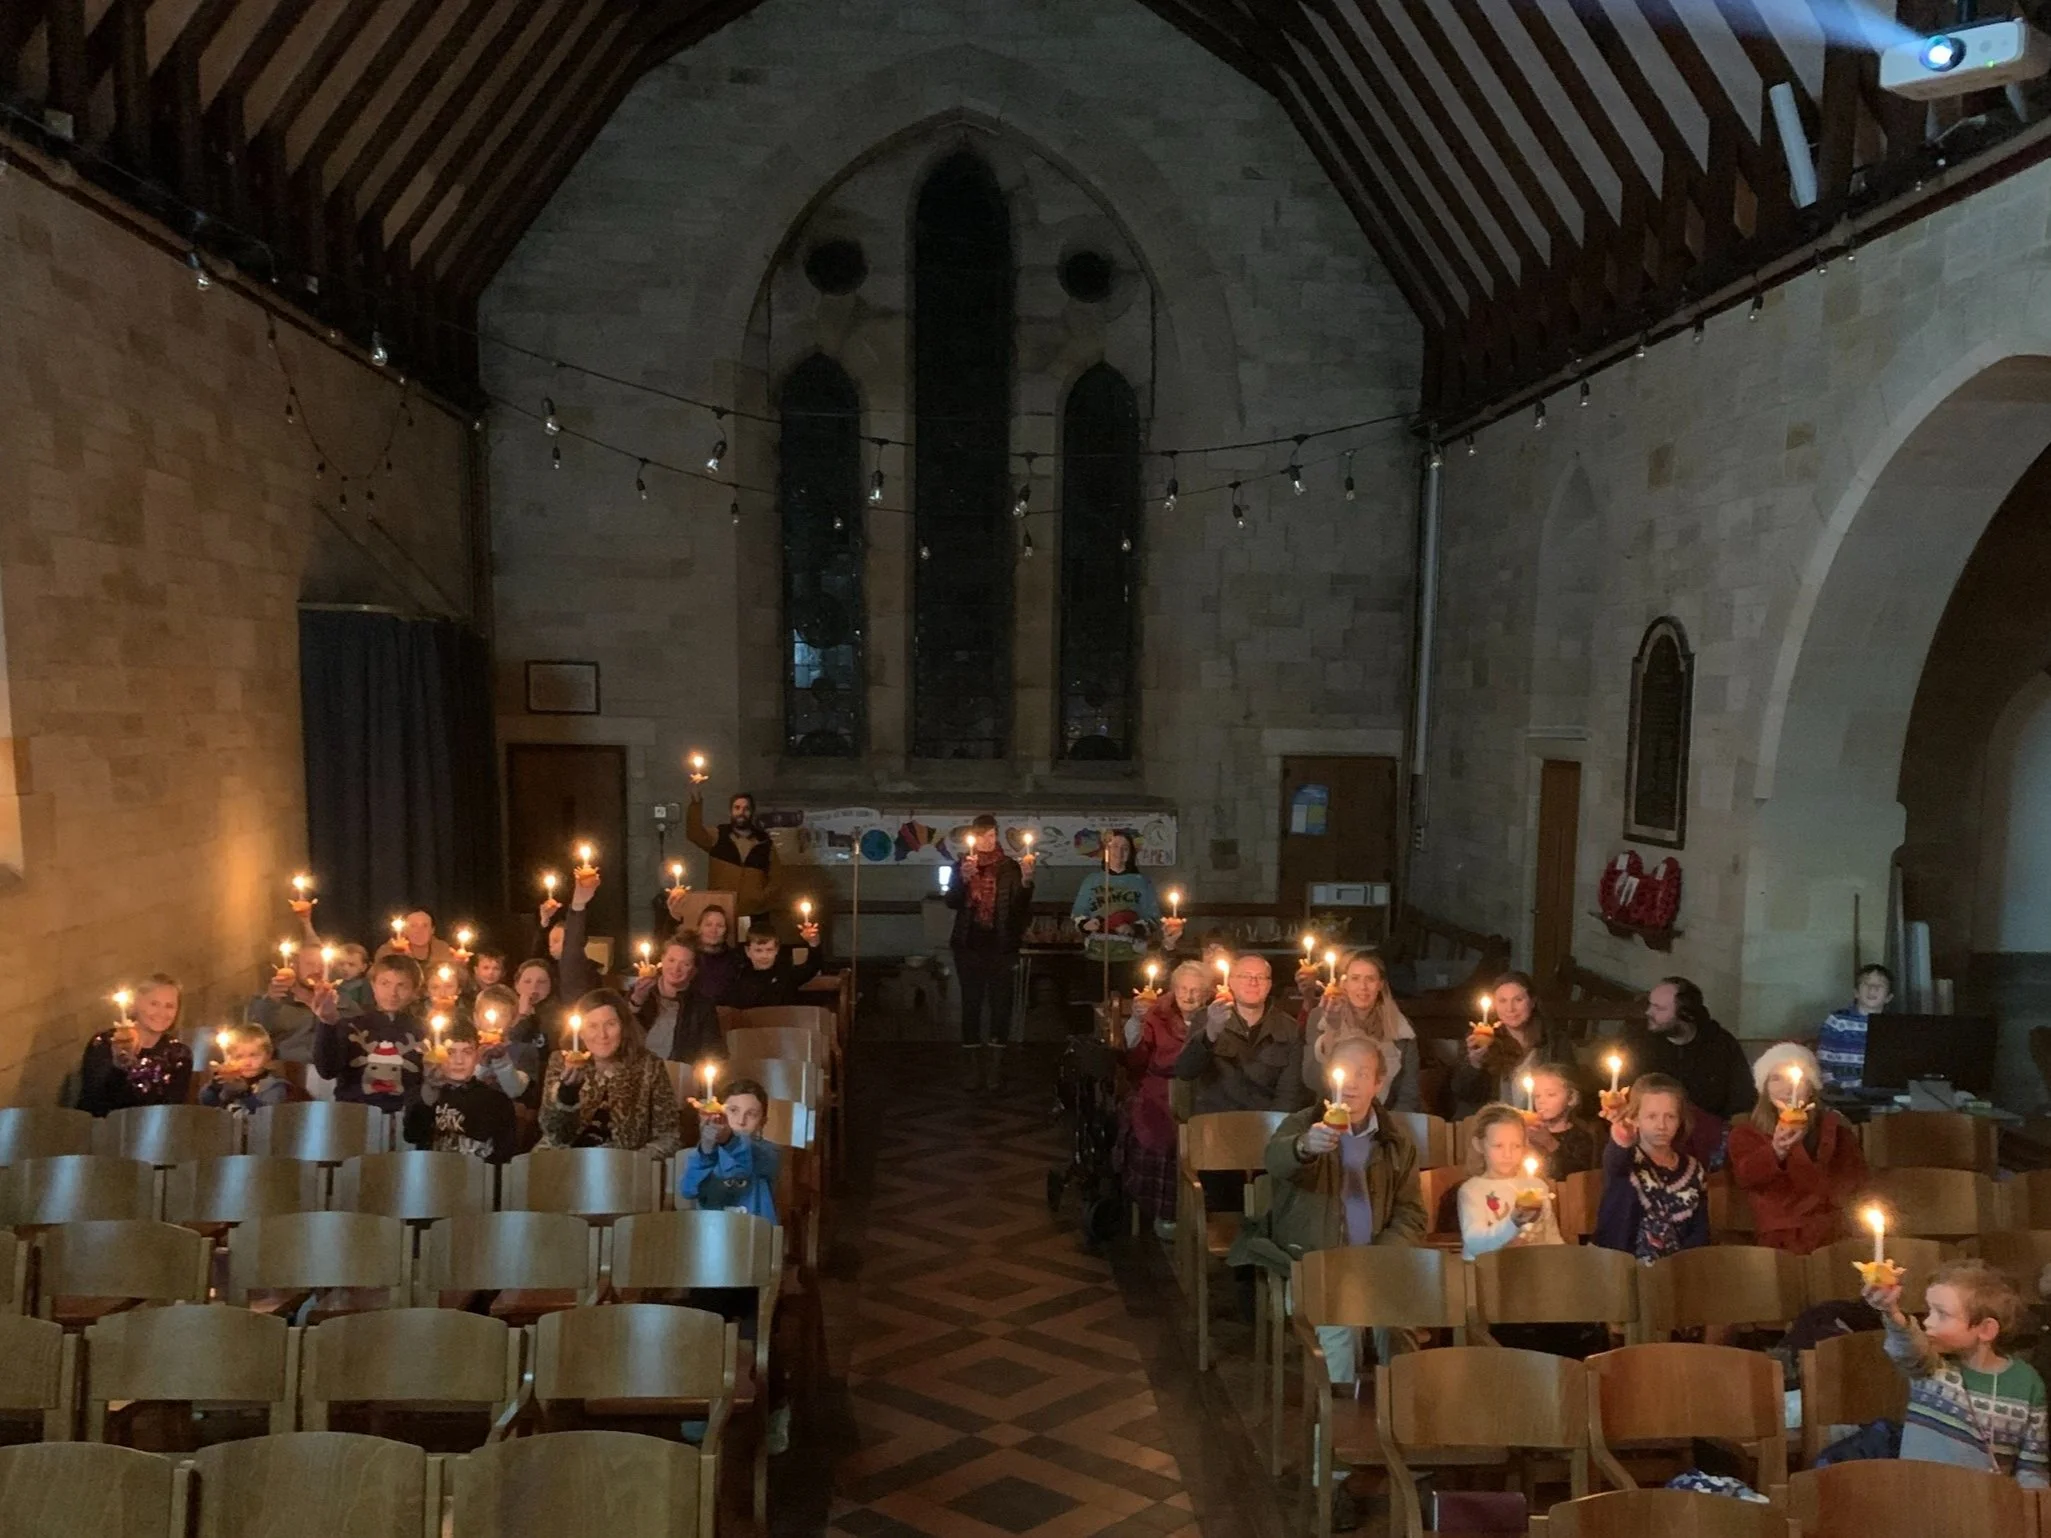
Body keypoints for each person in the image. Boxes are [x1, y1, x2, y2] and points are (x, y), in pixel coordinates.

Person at [1233, 1039, 1424, 1384]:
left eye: (1362, 1073)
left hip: (1376, 1261)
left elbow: (1410, 1212)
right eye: (1344, 1072)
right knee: (1340, 1327)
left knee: (1398, 1320)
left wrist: (1384, 1256)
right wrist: (1304, 1147)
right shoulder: (1303, 1124)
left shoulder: (1396, 1142)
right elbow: (1276, 1160)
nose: (1350, 1083)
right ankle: (1336, 1419)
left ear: (1378, 1083)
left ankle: (1399, 1412)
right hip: (1316, 1263)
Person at [1866, 1258, 2049, 1487]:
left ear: (1985, 1330)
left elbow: (2032, 1468)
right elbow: (1907, 1349)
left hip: (1983, 1511)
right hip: (1916, 1500)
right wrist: (1892, 1313)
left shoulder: (2027, 1383)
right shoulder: (1931, 1363)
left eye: (1942, 1314)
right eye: (1929, 1310)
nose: (1928, 1322)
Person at [1726, 1043, 1869, 1255]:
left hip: (1834, 1241)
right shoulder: (1746, 1133)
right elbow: (1746, 1176)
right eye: (1776, 1079)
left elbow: (1854, 1183)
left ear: (1811, 1086)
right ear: (1764, 1087)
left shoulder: (1836, 1131)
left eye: (1798, 1080)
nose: (1787, 1089)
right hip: (1779, 1245)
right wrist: (1776, 1151)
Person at [946, 814, 1036, 1090]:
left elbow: (1020, 908)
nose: (991, 839)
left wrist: (1026, 882)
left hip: (1001, 945)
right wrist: (962, 880)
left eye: (994, 834)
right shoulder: (962, 865)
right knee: (971, 1004)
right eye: (985, 835)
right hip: (969, 945)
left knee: (1001, 1004)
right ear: (974, 837)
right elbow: (951, 901)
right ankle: (973, 1067)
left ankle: (996, 1067)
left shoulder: (1010, 867)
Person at [537, 991, 682, 1158]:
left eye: (610, 1024)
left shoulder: (650, 1065)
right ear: (581, 1032)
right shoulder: (561, 1061)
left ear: (623, 1026)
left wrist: (634, 1162)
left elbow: (669, 1135)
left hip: (625, 1166)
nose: (602, 1035)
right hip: (567, 1162)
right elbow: (554, 1132)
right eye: (592, 1026)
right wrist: (566, 1095)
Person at [1123, 961, 1207, 1237]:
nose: (1189, 995)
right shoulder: (1156, 1015)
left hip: (1202, 1091)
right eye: (1183, 988)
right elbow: (1136, 1062)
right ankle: (1166, 1212)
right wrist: (1135, 1022)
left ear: (1207, 993)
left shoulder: (1214, 1016)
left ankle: (1204, 1212)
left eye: (1196, 990)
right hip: (1160, 1091)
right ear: (1172, 989)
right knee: (1162, 1133)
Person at [1174, 954, 1313, 1115]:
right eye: (1245, 976)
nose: (1253, 982)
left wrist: (1275, 1130)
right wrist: (1211, 1032)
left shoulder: (1289, 1028)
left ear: (1269, 985)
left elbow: (1290, 1093)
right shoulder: (1205, 1017)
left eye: (1260, 977)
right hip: (1216, 1124)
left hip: (1266, 1124)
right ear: (1230, 982)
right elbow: (1185, 1071)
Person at [1593, 1073, 1708, 1263]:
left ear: (1680, 1120)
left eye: (1670, 1116)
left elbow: (1700, 1230)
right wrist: (1623, 1132)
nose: (1661, 1125)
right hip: (1621, 1271)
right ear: (1636, 1118)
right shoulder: (1626, 1160)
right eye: (1651, 1116)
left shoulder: (1693, 1169)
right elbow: (1615, 1160)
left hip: (1676, 1274)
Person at [1621, 977, 1755, 1122]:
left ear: (1685, 1015)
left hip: (1707, 1134)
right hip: (1650, 1130)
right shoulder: (1638, 1041)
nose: (1648, 1012)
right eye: (1651, 1005)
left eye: (1659, 1008)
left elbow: (1742, 1102)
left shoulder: (1721, 1044)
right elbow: (1622, 1092)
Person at [1301, 950, 1420, 1111]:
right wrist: (1331, 1028)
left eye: (1370, 979)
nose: (1363, 987)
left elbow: (1409, 1093)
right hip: (1332, 1115)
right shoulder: (1319, 1017)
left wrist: (1389, 1127)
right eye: (1355, 979)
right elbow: (1312, 1080)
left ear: (1380, 985)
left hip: (1385, 1117)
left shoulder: (1401, 1028)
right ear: (1344, 983)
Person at [1450, 971, 1579, 1119]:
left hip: (1537, 1122)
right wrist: (1474, 1064)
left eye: (1518, 1000)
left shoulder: (1553, 1040)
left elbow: (1570, 1086)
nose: (1510, 1009)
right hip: (1489, 1122)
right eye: (1502, 1001)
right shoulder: (1477, 1039)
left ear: (1532, 1002)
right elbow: (1462, 1092)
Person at [313, 954, 422, 1114]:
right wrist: (327, 1024)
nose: (393, 993)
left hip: (406, 1119)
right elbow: (327, 1070)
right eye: (385, 983)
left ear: (414, 991)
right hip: (354, 1115)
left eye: (402, 986)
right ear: (373, 985)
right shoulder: (352, 1026)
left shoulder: (424, 1031)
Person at [403, 1018, 517, 1162]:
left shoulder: (497, 1101)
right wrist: (429, 1092)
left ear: (477, 1054)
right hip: (432, 1174)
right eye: (450, 1052)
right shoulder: (422, 1094)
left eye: (467, 1052)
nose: (459, 1061)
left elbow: (504, 1153)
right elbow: (412, 1135)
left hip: (477, 1178)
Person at [1459, 1104, 1564, 1259]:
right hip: (1489, 1273)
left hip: (1534, 1272)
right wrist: (1513, 1223)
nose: (1507, 1154)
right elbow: (1475, 1244)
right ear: (1479, 1145)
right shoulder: (1472, 1190)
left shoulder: (1538, 1187)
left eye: (1516, 1146)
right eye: (1498, 1146)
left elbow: (1552, 1239)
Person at [78, 974, 193, 1115]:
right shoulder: (105, 1043)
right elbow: (94, 1101)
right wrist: (119, 1067)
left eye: (169, 1006)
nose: (161, 1013)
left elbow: (172, 1111)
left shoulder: (179, 1054)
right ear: (136, 1004)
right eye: (154, 1004)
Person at [680, 1077, 780, 1219]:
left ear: (762, 1122)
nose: (741, 1121)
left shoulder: (768, 1153)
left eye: (751, 1114)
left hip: (754, 1236)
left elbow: (746, 1160)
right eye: (733, 1111)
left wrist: (729, 1140)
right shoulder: (703, 1155)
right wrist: (706, 1150)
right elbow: (688, 1190)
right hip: (712, 1233)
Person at [685, 782, 779, 925]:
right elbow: (694, 832)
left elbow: (777, 878)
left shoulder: (765, 843)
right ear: (731, 811)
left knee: (750, 946)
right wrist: (696, 802)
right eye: (737, 808)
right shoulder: (717, 836)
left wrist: (761, 899)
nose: (741, 812)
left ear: (752, 812)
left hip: (755, 914)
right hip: (721, 911)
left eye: (746, 808)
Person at [1069, 831, 1162, 968]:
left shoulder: (1142, 882)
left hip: (1131, 954)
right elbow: (1077, 913)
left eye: (1125, 848)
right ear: (1106, 851)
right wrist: (1085, 924)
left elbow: (1154, 917)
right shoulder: (1091, 881)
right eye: (1115, 846)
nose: (1119, 851)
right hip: (1098, 953)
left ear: (1130, 853)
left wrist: (1134, 928)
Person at [629, 938, 723, 1064]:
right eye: (671, 960)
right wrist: (637, 1001)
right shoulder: (639, 992)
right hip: (638, 1067)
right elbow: (622, 1034)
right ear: (662, 960)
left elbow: (713, 1051)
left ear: (694, 970)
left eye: (685, 964)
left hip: (678, 1073)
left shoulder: (702, 1006)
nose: (676, 968)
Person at [1816, 964, 1896, 1093]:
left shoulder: (1893, 1026)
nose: (1872, 989)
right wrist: (1833, 1088)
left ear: (1888, 997)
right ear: (1856, 992)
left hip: (1880, 1093)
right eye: (1866, 984)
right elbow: (1823, 1061)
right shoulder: (1837, 1020)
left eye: (1880, 985)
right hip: (1842, 1092)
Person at [247, 944, 330, 1063]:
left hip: (329, 1072)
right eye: (310, 964)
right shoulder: (272, 1000)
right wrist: (270, 1002)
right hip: (285, 1070)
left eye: (322, 965)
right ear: (294, 966)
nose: (317, 970)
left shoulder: (339, 1000)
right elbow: (252, 1035)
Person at [723, 923, 823, 1011]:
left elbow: (812, 966)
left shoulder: (787, 975)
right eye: (758, 950)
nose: (764, 956)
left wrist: (813, 943)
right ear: (748, 951)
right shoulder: (739, 978)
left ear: (776, 950)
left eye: (769, 950)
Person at [1524, 1065, 1599, 1180]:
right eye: (1537, 1096)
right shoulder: (1526, 1133)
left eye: (1551, 1094)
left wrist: (1549, 1143)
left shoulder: (1581, 1136)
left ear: (1571, 1098)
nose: (1541, 1101)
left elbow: (1579, 1176)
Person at [196, 1024, 289, 1116]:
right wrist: (214, 1087)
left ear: (268, 1056)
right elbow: (206, 1103)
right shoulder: (228, 1082)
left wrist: (245, 1093)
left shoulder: (275, 1086)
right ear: (229, 1059)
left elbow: (267, 1115)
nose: (247, 1063)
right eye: (238, 1057)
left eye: (254, 1055)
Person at [505, 958, 559, 1109]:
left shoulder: (557, 1016)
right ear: (517, 985)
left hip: (546, 1083)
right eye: (527, 981)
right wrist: (522, 1016)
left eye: (541, 982)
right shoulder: (506, 1012)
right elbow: (509, 1044)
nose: (534, 987)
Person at [470, 984, 531, 1101]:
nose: (495, 1022)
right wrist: (482, 1065)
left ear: (514, 1020)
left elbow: (515, 1090)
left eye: (502, 1015)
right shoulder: (465, 1050)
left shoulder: (525, 1051)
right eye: (485, 1015)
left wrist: (501, 1060)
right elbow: (461, 1086)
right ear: (476, 1018)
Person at [687, 906, 745, 1005]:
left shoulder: (737, 960)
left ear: (726, 930)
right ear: (699, 928)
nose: (713, 930)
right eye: (708, 924)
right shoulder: (687, 956)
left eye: (720, 925)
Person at [376, 908, 457, 971]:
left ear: (432, 930)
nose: (419, 931)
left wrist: (459, 965)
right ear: (405, 930)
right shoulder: (387, 952)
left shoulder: (443, 950)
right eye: (413, 926)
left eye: (425, 926)